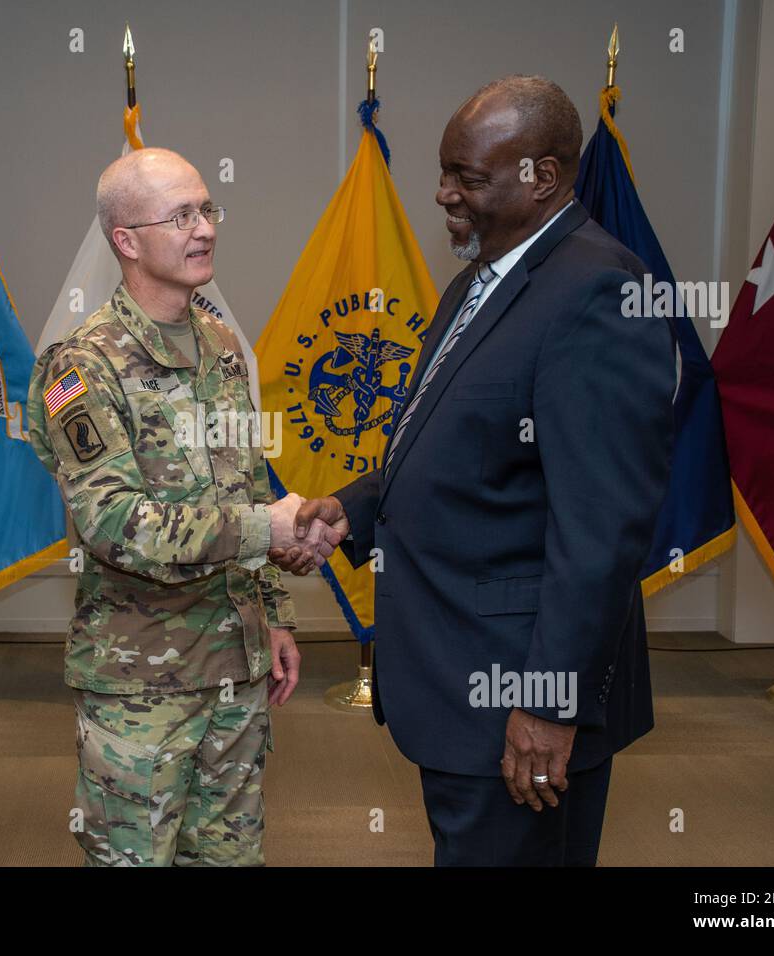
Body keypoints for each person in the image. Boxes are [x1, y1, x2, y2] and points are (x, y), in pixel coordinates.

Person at [273, 76, 675, 865]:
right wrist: (357, 505)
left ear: (544, 177)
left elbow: (600, 530)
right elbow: (457, 443)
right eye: (445, 170)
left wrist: (548, 704)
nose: (443, 193)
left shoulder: (597, 290)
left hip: (520, 696)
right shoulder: (478, 280)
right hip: (459, 683)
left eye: (469, 177)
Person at [27, 147, 342, 866]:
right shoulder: (82, 366)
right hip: (141, 687)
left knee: (230, 857)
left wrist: (276, 615)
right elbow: (114, 527)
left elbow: (247, 483)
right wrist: (270, 527)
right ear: (126, 241)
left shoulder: (222, 344)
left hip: (236, 665)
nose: (204, 229)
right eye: (181, 215)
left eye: (207, 209)